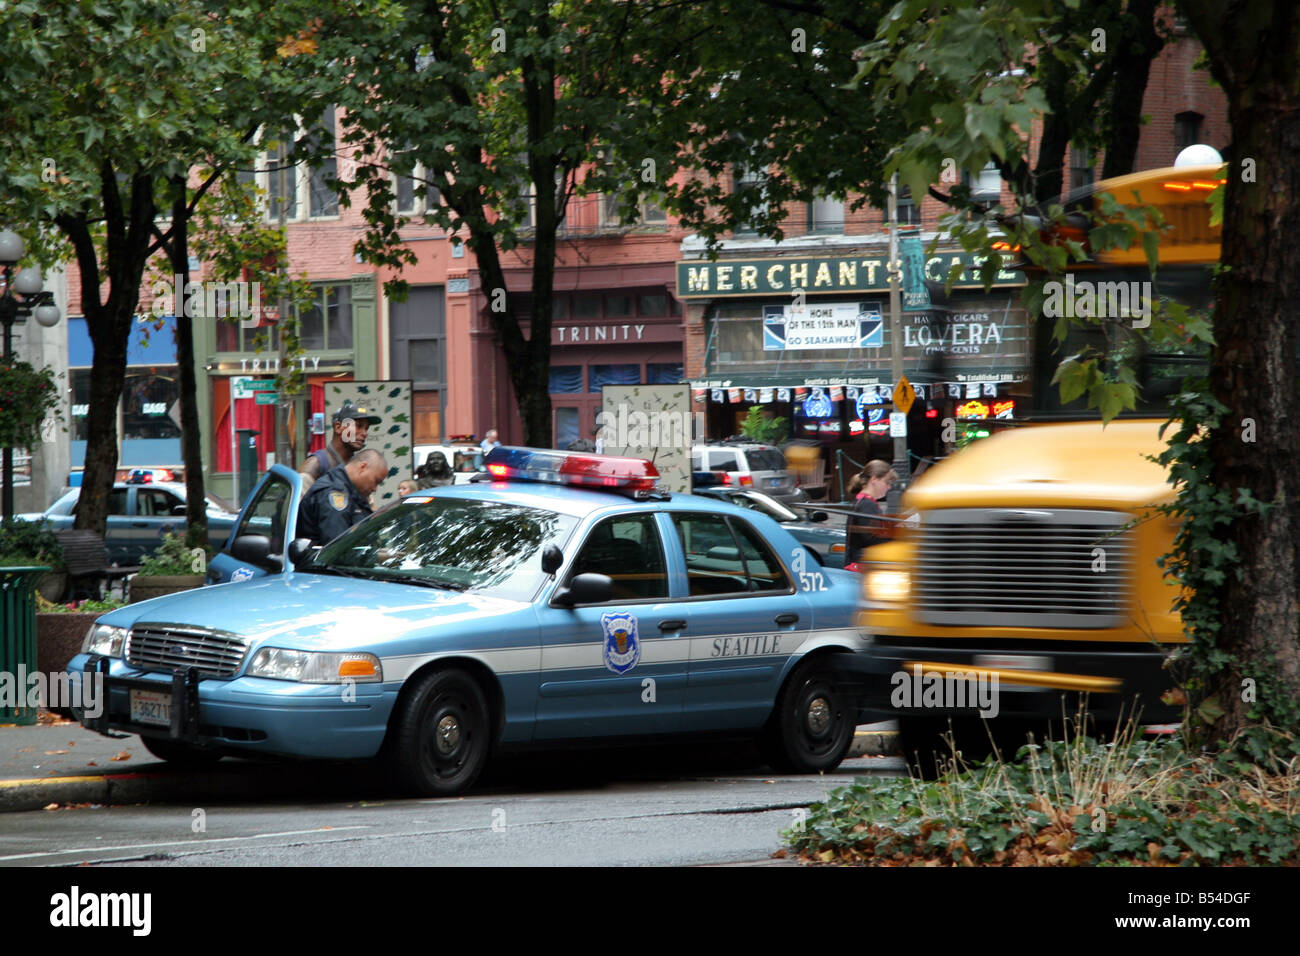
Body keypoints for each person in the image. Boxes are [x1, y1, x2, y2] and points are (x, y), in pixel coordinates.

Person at [296, 448, 389, 547]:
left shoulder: (353, 491)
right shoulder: (333, 493)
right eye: (376, 481)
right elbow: (337, 548)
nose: (375, 489)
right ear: (362, 467)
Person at [299, 402, 382, 493]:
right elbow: (298, 504)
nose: (364, 433)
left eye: (366, 428)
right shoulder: (315, 465)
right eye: (358, 426)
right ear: (338, 427)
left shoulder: (359, 467)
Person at [846, 460, 898, 564]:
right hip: (862, 568)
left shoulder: (863, 501)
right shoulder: (867, 504)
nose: (889, 487)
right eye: (887, 482)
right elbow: (872, 540)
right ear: (874, 479)